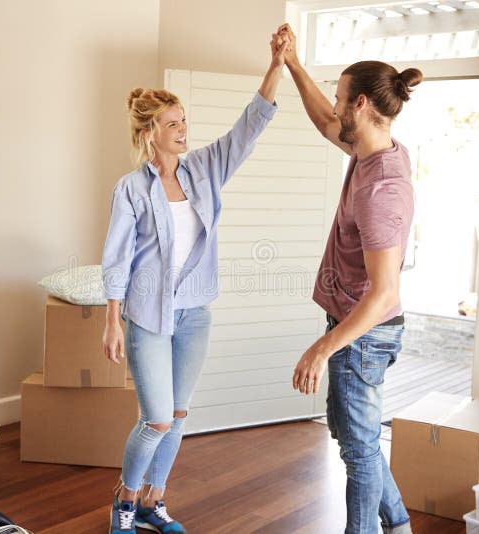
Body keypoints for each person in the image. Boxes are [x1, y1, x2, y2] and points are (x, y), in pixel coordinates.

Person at [100, 33, 290, 534]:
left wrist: (276, 65)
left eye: (184, 121)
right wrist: (111, 322)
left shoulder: (205, 169)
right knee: (155, 419)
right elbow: (116, 259)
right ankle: (124, 498)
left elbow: (248, 128)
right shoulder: (131, 188)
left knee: (179, 415)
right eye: (173, 124)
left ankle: (153, 503)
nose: (184, 130)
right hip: (147, 315)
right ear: (150, 134)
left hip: (195, 313)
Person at [273, 23, 421, 534]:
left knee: (358, 450)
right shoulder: (376, 146)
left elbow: (383, 295)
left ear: (359, 104)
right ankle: (398, 521)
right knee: (347, 428)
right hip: (352, 320)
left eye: (339, 98)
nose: (334, 107)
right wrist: (292, 64)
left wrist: (322, 348)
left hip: (365, 332)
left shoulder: (381, 190)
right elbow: (323, 122)